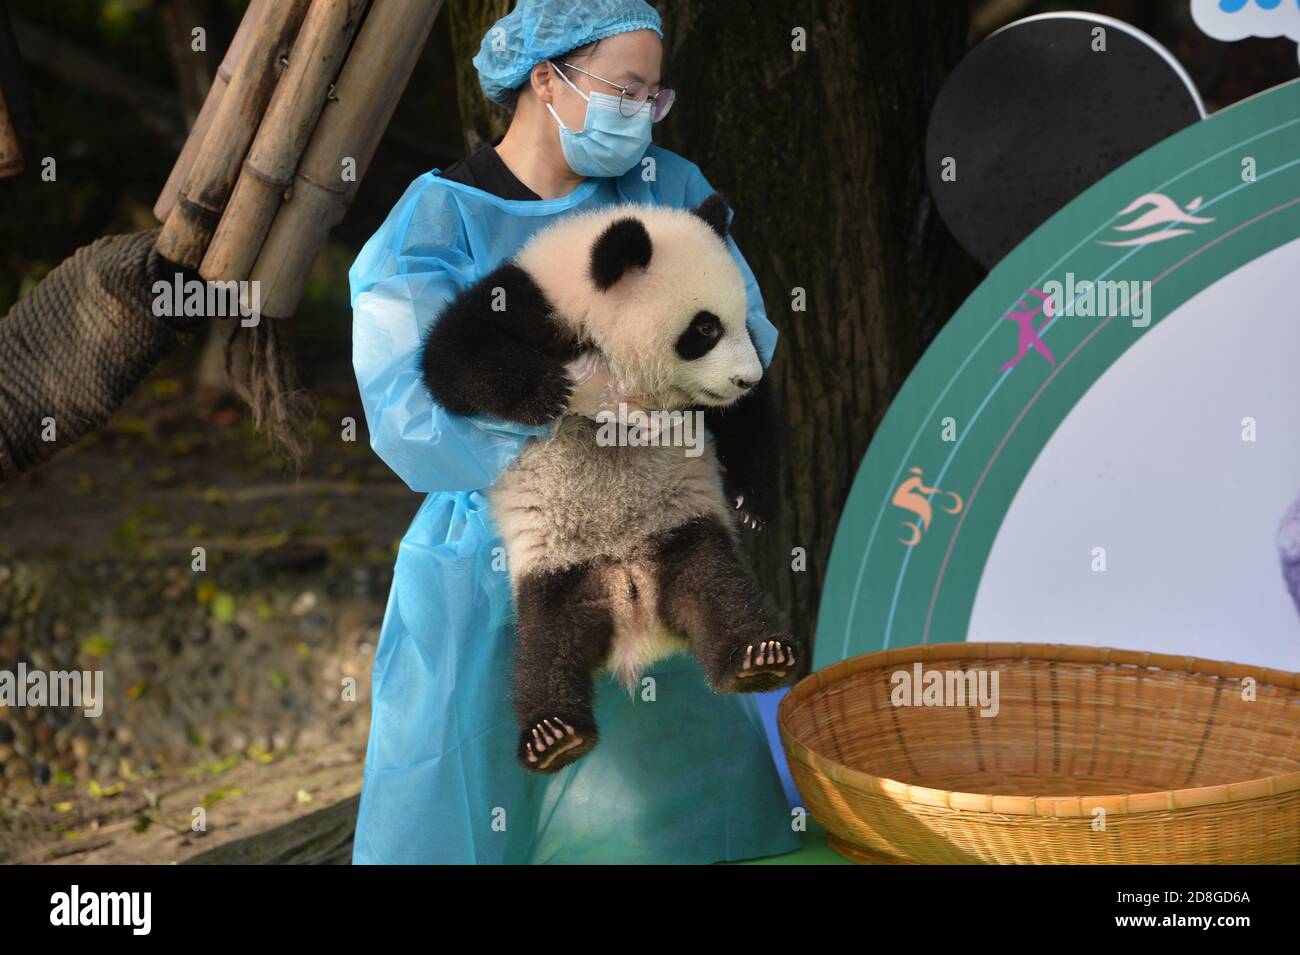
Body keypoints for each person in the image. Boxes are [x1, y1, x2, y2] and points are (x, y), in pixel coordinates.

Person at [348, 0, 798, 864]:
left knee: (689, 808)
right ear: (546, 77)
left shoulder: (667, 188)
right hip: (498, 545)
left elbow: (743, 345)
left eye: (655, 96)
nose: (644, 113)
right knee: (477, 792)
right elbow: (405, 401)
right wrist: (560, 398)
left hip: (662, 512)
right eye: (627, 89)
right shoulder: (437, 221)